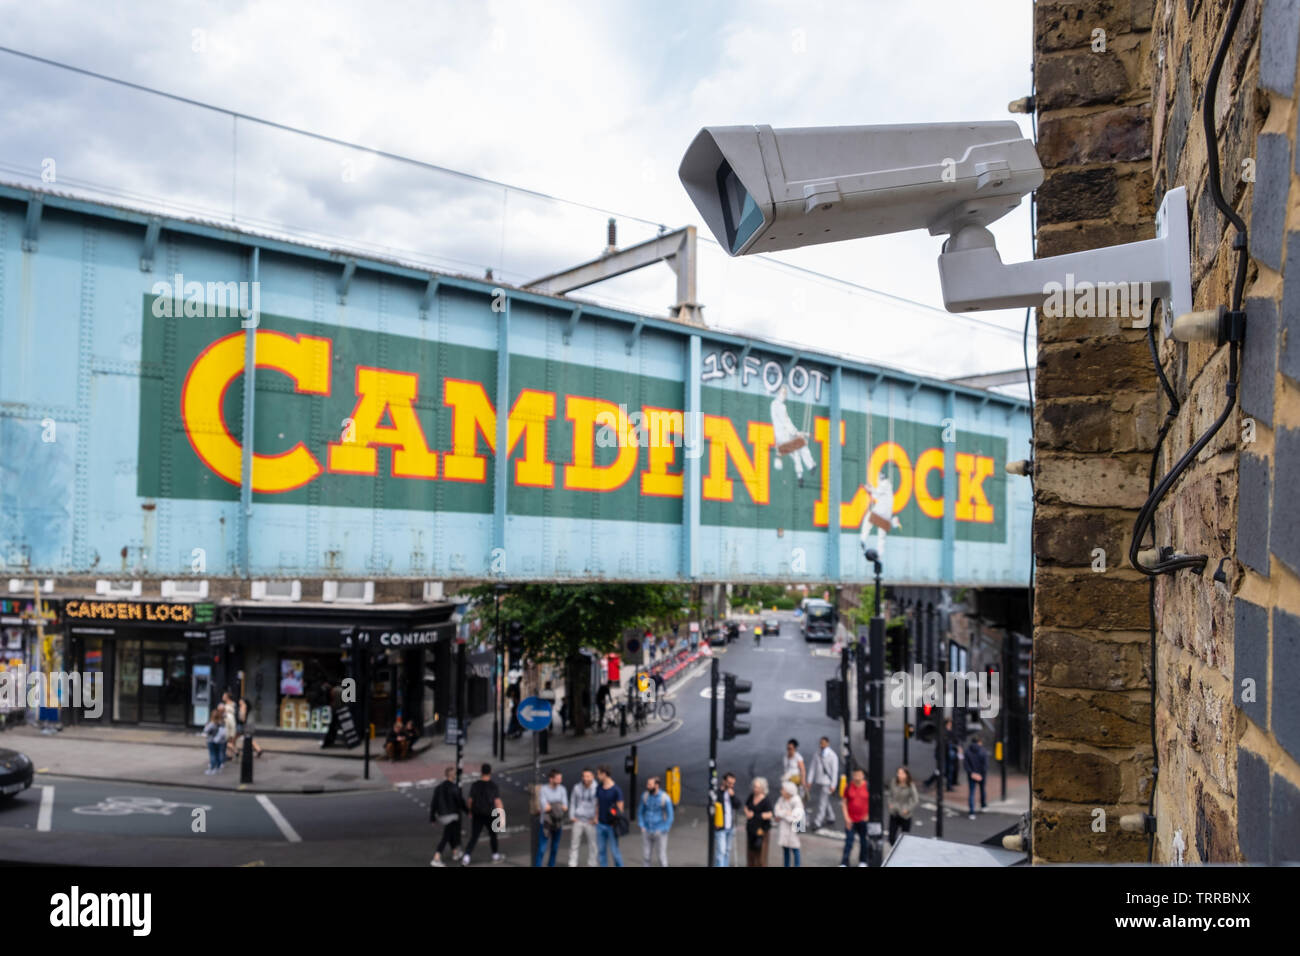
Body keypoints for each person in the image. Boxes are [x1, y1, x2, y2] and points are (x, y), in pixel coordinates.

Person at [463, 763, 504, 864]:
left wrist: (470, 811)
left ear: (481, 772)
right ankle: (495, 855)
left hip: (477, 814)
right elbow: (498, 802)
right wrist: (501, 817)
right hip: (490, 814)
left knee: (474, 836)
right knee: (493, 835)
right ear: (490, 772)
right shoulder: (493, 786)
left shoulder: (475, 785)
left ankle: (466, 857)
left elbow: (470, 801)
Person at [430, 766, 469, 866]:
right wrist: (468, 811)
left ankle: (455, 852)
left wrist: (432, 817)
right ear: (453, 776)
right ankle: (436, 857)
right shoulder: (454, 787)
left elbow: (433, 803)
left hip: (442, 816)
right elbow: (460, 802)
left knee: (450, 832)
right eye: (455, 774)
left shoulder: (438, 788)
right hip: (452, 815)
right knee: (446, 836)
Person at [636, 775, 674, 867]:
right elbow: (640, 811)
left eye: (649, 784)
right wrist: (642, 825)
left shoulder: (664, 797)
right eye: (647, 784)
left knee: (661, 856)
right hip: (647, 830)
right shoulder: (645, 796)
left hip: (659, 831)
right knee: (646, 856)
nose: (647, 786)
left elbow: (670, 815)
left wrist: (664, 829)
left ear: (656, 785)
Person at [594, 764, 626, 867]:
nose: (597, 776)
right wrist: (596, 817)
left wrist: (615, 823)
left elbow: (620, 809)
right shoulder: (599, 787)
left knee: (615, 852)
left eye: (598, 774)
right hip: (600, 825)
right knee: (601, 852)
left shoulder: (616, 790)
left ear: (604, 774)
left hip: (612, 826)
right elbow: (598, 804)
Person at [536, 768, 568, 867]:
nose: (560, 780)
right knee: (542, 849)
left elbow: (565, 807)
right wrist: (558, 805)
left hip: (558, 822)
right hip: (546, 823)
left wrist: (552, 805)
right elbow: (545, 807)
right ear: (551, 779)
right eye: (558, 778)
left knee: (554, 848)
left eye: (560, 778)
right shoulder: (544, 789)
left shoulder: (562, 789)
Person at [568, 767, 599, 867]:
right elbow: (572, 802)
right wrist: (572, 815)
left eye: (588, 776)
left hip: (591, 821)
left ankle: (592, 864)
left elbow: (599, 804)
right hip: (578, 819)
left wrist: (596, 818)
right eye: (584, 776)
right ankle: (572, 864)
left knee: (593, 845)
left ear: (592, 777)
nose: (585, 778)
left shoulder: (597, 788)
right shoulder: (577, 787)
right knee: (574, 844)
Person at [808, 736, 840, 831]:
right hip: (820, 780)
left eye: (823, 743)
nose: (821, 745)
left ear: (828, 743)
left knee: (822, 802)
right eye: (820, 743)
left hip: (827, 782)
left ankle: (818, 821)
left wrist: (833, 784)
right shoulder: (817, 754)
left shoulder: (833, 756)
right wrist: (809, 780)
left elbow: (835, 771)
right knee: (825, 800)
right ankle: (831, 816)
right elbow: (812, 768)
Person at [840, 767, 870, 867]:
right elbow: (844, 803)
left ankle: (863, 861)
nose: (857, 777)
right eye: (855, 775)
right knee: (849, 842)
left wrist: (868, 815)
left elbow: (873, 803)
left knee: (863, 841)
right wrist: (846, 818)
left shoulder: (867, 786)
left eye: (859, 775)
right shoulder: (848, 787)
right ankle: (844, 862)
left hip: (863, 820)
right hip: (851, 820)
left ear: (863, 776)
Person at [713, 772, 743, 867]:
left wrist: (732, 796)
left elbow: (738, 805)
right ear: (724, 781)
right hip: (720, 826)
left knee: (727, 850)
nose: (731, 785)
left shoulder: (731, 793)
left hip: (730, 826)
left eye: (733, 783)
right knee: (721, 851)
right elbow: (712, 808)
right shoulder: (717, 793)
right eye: (729, 783)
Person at [773, 780, 806, 867]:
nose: (781, 791)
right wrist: (786, 813)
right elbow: (776, 811)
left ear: (788, 791)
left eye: (783, 789)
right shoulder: (781, 799)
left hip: (794, 830)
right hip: (784, 829)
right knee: (785, 848)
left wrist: (783, 814)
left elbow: (796, 817)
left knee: (795, 849)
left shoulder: (796, 801)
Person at [743, 777, 774, 866]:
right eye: (754, 787)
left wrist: (755, 816)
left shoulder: (766, 800)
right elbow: (746, 806)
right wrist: (747, 813)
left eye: (756, 787)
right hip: (751, 830)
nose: (754, 789)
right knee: (750, 854)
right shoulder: (751, 796)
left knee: (760, 855)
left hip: (761, 831)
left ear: (762, 789)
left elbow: (769, 814)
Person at [888, 766, 920, 844]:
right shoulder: (893, 782)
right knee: (891, 837)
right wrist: (890, 804)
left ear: (906, 775)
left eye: (902, 773)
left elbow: (915, 799)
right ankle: (895, 850)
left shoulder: (910, 785)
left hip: (905, 815)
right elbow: (890, 794)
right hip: (894, 812)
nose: (899, 775)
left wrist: (907, 809)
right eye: (898, 773)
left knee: (904, 838)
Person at [965, 735, 988, 819]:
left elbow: (966, 765)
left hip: (971, 775)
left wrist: (972, 773)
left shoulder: (967, 751)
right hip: (981, 775)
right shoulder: (983, 751)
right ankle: (983, 805)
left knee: (971, 793)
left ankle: (971, 812)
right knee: (982, 790)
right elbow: (985, 765)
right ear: (979, 742)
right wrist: (980, 775)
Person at [203, 705, 227, 774]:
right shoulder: (221, 722)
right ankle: (218, 767)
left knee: (212, 754)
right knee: (219, 753)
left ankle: (212, 768)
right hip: (219, 741)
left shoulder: (212, 724)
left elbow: (206, 730)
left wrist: (206, 726)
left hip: (211, 741)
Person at [222, 692, 239, 762]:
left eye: (223, 696)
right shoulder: (233, 704)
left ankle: (235, 751)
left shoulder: (226, 706)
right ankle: (230, 755)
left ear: (227, 697)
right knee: (231, 740)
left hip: (228, 722)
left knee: (225, 740)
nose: (222, 697)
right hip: (232, 722)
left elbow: (225, 715)